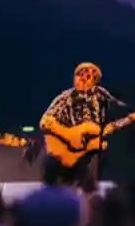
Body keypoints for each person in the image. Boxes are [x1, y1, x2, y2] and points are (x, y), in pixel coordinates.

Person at [39, 63, 127, 192]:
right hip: (66, 146)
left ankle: (88, 187)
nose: (83, 79)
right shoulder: (66, 97)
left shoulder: (101, 96)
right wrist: (68, 134)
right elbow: (45, 121)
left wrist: (131, 115)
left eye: (89, 76)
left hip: (87, 146)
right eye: (80, 75)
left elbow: (118, 107)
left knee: (102, 147)